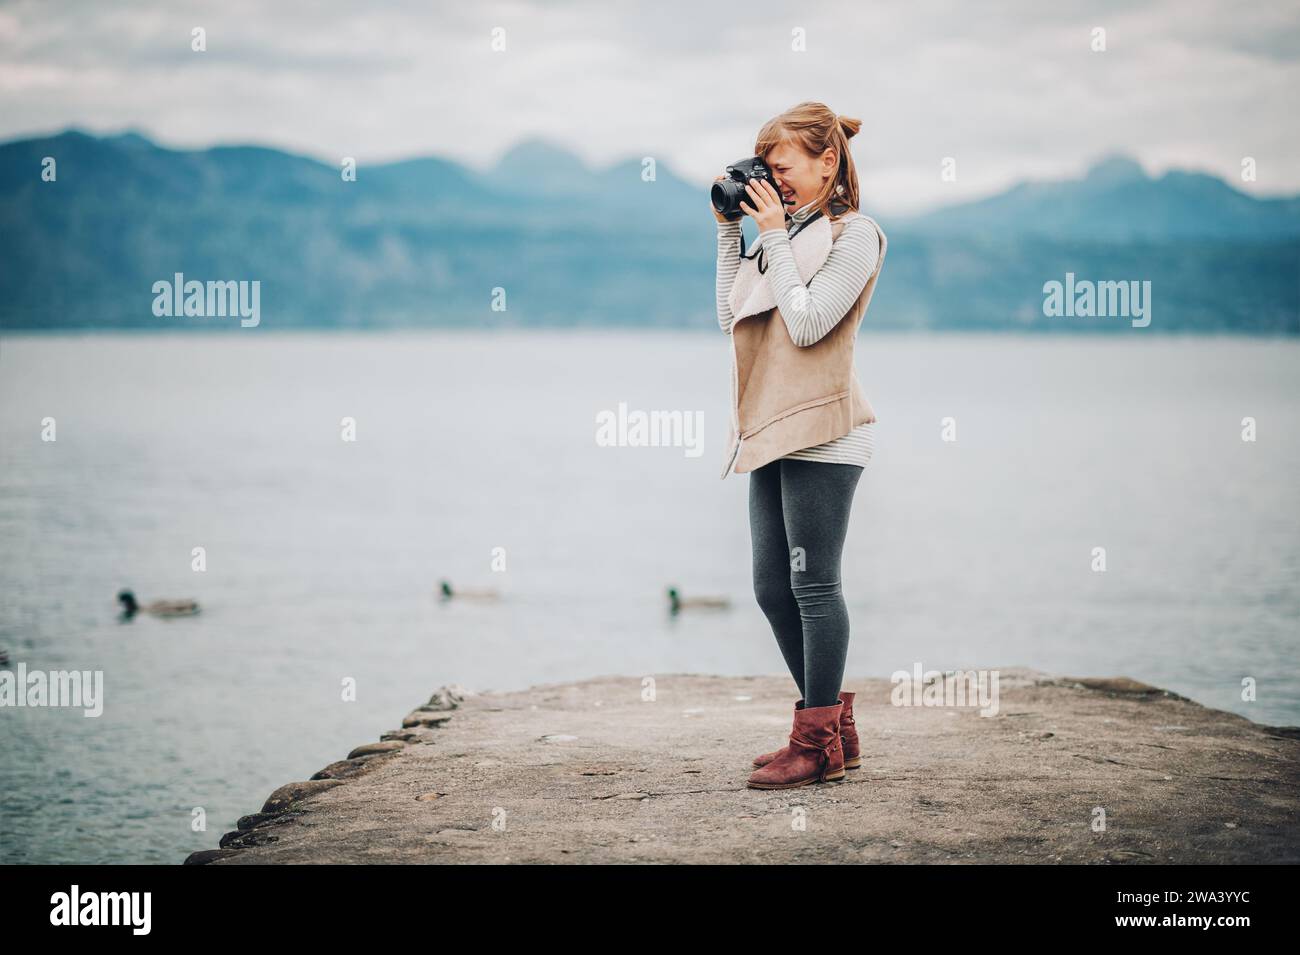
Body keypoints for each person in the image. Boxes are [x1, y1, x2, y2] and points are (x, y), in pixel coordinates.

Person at [713, 101, 888, 790]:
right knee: (770, 587)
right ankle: (835, 732)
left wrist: (773, 237)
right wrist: (732, 233)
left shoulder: (855, 235)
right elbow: (732, 315)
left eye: (781, 167)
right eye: (766, 169)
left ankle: (813, 745)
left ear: (827, 161)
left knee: (813, 585)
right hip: (773, 428)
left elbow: (810, 323)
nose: (773, 182)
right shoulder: (785, 235)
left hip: (826, 431)